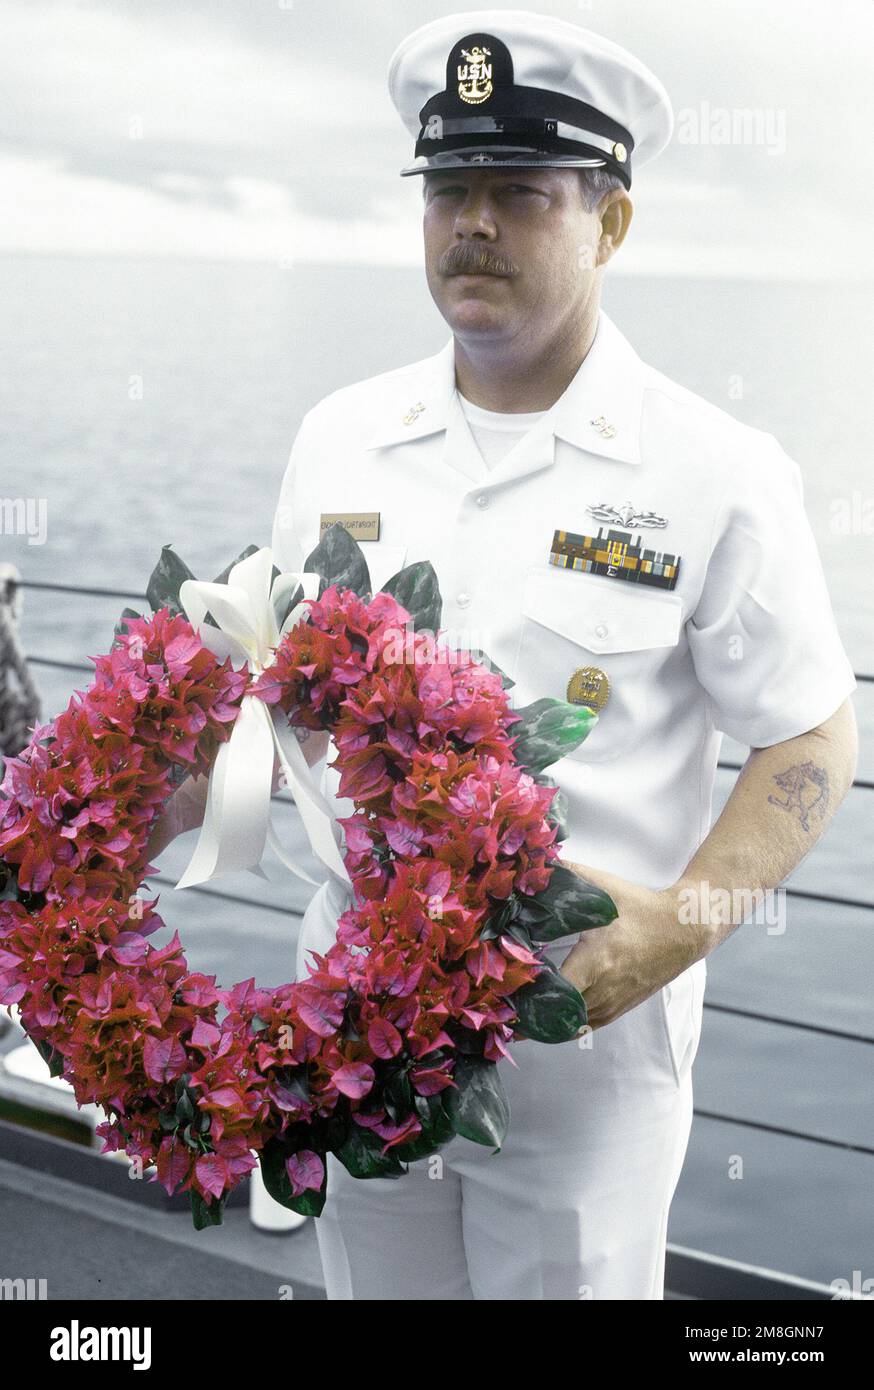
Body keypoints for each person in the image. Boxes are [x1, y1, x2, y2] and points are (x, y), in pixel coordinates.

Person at [163, 11, 860, 1299]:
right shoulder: (342, 438)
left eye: (521, 194)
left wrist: (678, 926)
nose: (471, 223)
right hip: (356, 1006)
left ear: (610, 223)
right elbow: (266, 689)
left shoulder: (714, 469)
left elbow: (813, 729)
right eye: (449, 190)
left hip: (581, 1024)